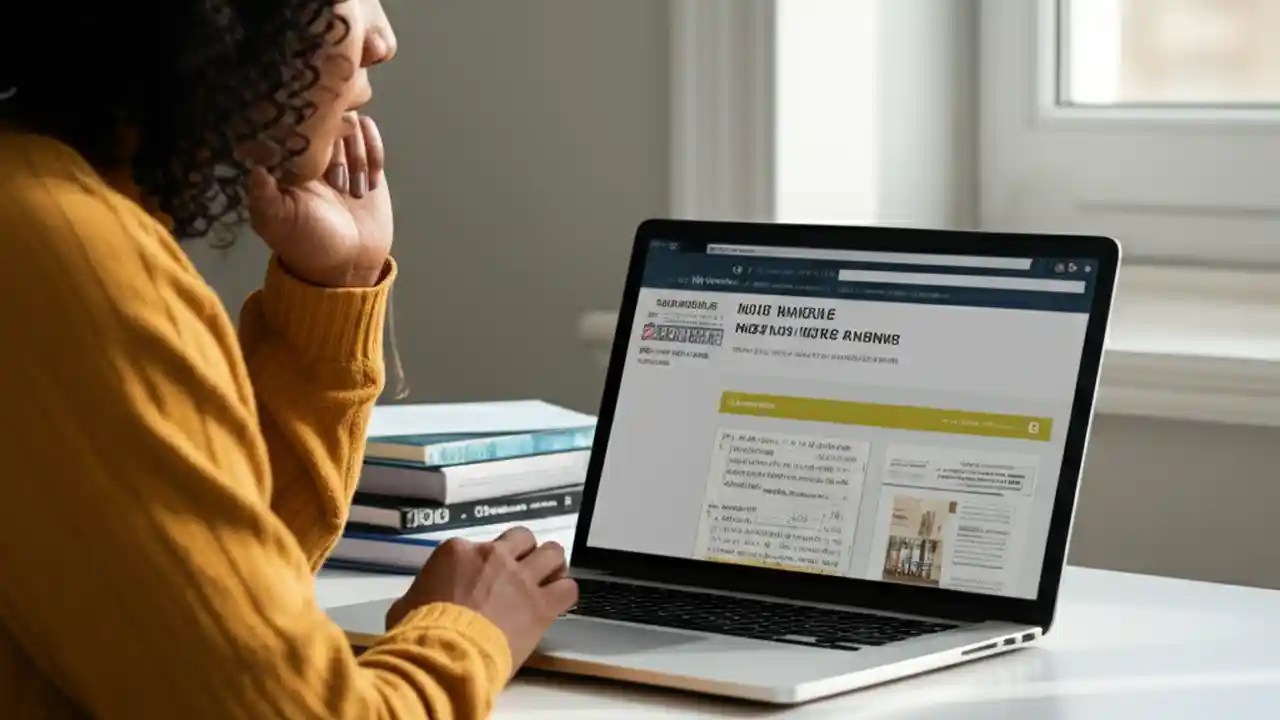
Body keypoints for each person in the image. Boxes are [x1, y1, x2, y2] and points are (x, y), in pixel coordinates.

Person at [0, 2, 577, 718]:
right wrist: (470, 629)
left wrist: (333, 293)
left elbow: (208, 598)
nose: (382, 40)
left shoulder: (40, 201)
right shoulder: (67, 256)